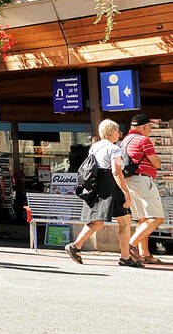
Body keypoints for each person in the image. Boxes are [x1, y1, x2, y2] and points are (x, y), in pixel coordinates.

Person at [64, 119, 142, 268]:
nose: (119, 133)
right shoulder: (114, 149)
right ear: (112, 132)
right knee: (123, 221)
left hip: (97, 185)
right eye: (118, 131)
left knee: (101, 221)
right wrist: (126, 192)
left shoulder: (94, 147)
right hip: (111, 185)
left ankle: (76, 246)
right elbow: (117, 172)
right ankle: (77, 245)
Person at [121, 114, 165, 265]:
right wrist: (156, 163)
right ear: (144, 127)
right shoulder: (143, 140)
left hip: (130, 181)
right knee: (157, 217)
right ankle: (130, 245)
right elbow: (157, 163)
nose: (151, 130)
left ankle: (144, 254)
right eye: (150, 127)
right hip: (142, 180)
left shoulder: (126, 140)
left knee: (143, 218)